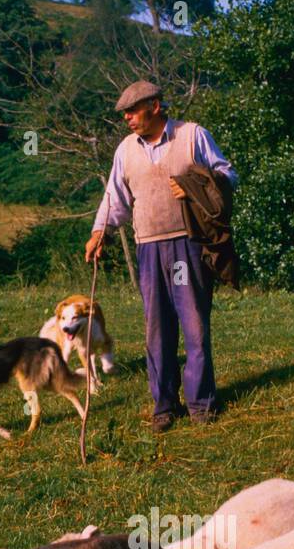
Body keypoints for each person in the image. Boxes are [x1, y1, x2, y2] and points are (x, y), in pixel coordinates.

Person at [86, 80, 238, 431]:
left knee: (194, 325)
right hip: (149, 247)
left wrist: (196, 184)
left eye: (133, 110)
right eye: (124, 113)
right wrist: (100, 233)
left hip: (188, 244)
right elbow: (115, 198)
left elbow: (229, 174)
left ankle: (201, 404)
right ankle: (164, 406)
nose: (127, 118)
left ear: (154, 106)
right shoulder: (126, 150)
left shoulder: (192, 135)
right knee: (157, 328)